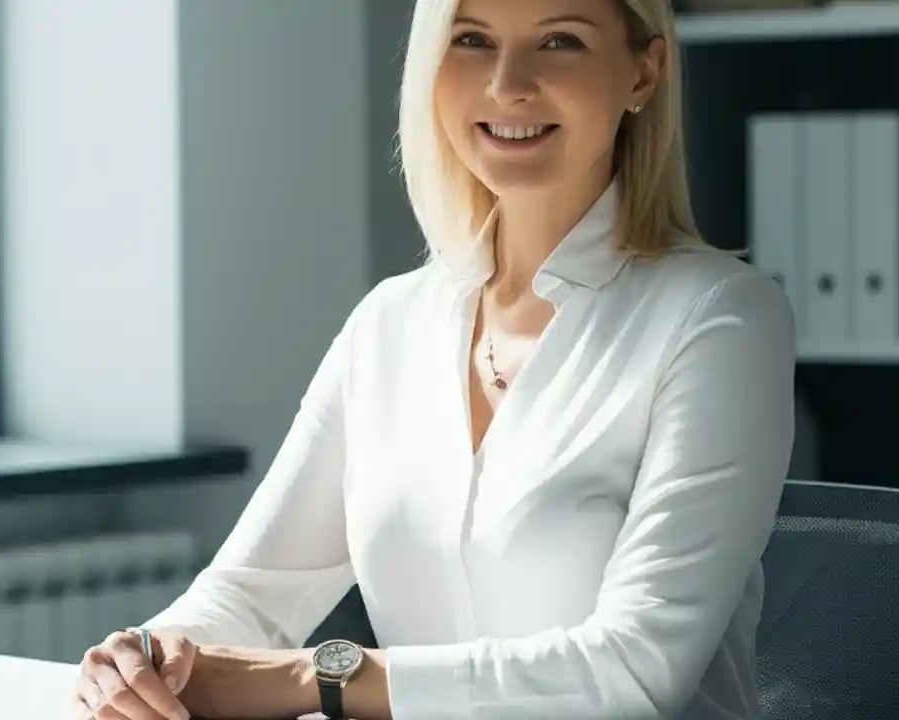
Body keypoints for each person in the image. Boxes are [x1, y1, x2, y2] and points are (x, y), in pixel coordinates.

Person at [72, 0, 795, 717]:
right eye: (473, 39)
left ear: (644, 73)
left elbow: (635, 672)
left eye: (561, 42)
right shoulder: (391, 323)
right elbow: (250, 592)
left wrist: (313, 679)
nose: (507, 83)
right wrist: (148, 656)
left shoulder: (721, 317)